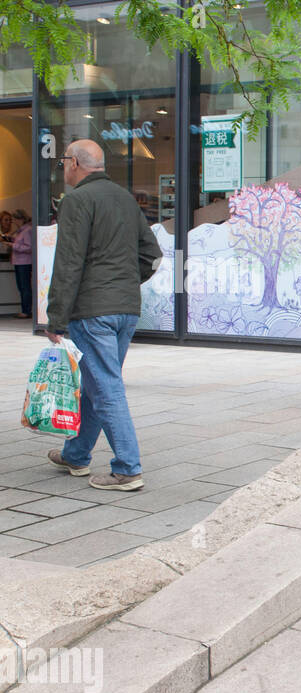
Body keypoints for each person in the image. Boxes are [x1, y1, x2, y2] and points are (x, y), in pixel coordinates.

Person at [44, 139, 162, 491]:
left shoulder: (77, 201)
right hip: (125, 309)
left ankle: (127, 468)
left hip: (93, 310)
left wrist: (55, 318)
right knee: (97, 384)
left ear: (75, 164)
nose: (62, 167)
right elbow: (152, 255)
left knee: (105, 386)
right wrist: (125, 282)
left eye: (63, 160)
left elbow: (68, 263)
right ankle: (76, 455)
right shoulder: (125, 198)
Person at [11, 209, 33, 318]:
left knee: (25, 287)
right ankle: (25, 309)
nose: (13, 221)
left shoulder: (27, 230)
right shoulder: (20, 231)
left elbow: (29, 247)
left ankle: (26, 310)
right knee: (21, 286)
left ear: (20, 219)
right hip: (18, 262)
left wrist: (13, 246)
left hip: (25, 262)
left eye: (15, 219)